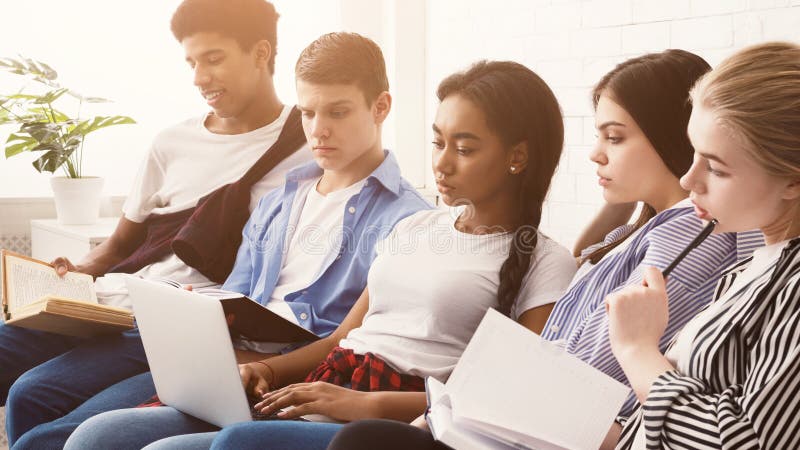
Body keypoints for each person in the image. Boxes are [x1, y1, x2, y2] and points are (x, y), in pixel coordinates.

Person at [63, 59, 577, 450]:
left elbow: (504, 398)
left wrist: (366, 403)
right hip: (328, 379)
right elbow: (341, 338)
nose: (441, 164)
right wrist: (272, 372)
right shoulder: (420, 226)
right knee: (99, 437)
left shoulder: (545, 263)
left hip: (395, 411)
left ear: (518, 157)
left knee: (215, 445)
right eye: (437, 142)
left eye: (464, 149)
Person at [7, 15, 432, 450]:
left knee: (81, 440)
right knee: (43, 422)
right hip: (217, 360)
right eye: (308, 112)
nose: (318, 129)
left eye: (337, 112)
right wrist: (196, 320)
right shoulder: (283, 197)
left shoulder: (408, 220)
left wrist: (260, 365)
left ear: (381, 107)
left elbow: (362, 343)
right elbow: (235, 294)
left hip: (285, 374)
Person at [324, 49, 764, 449]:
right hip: (489, 418)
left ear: (671, 135)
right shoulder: (648, 232)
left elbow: (586, 367)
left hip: (533, 432)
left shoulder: (692, 238)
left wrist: (438, 412)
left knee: (357, 440)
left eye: (615, 138)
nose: (595, 155)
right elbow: (585, 292)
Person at [0, 0, 314, 446]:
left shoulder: (312, 142)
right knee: (17, 378)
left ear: (261, 53)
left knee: (38, 407)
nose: (199, 78)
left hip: (184, 326)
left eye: (214, 59)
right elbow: (117, 247)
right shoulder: (171, 143)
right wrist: (71, 275)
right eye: (191, 62)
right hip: (114, 307)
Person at [608, 41, 800, 449]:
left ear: (794, 180)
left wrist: (637, 350)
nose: (687, 180)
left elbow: (744, 441)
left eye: (714, 167)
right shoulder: (750, 269)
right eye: (695, 154)